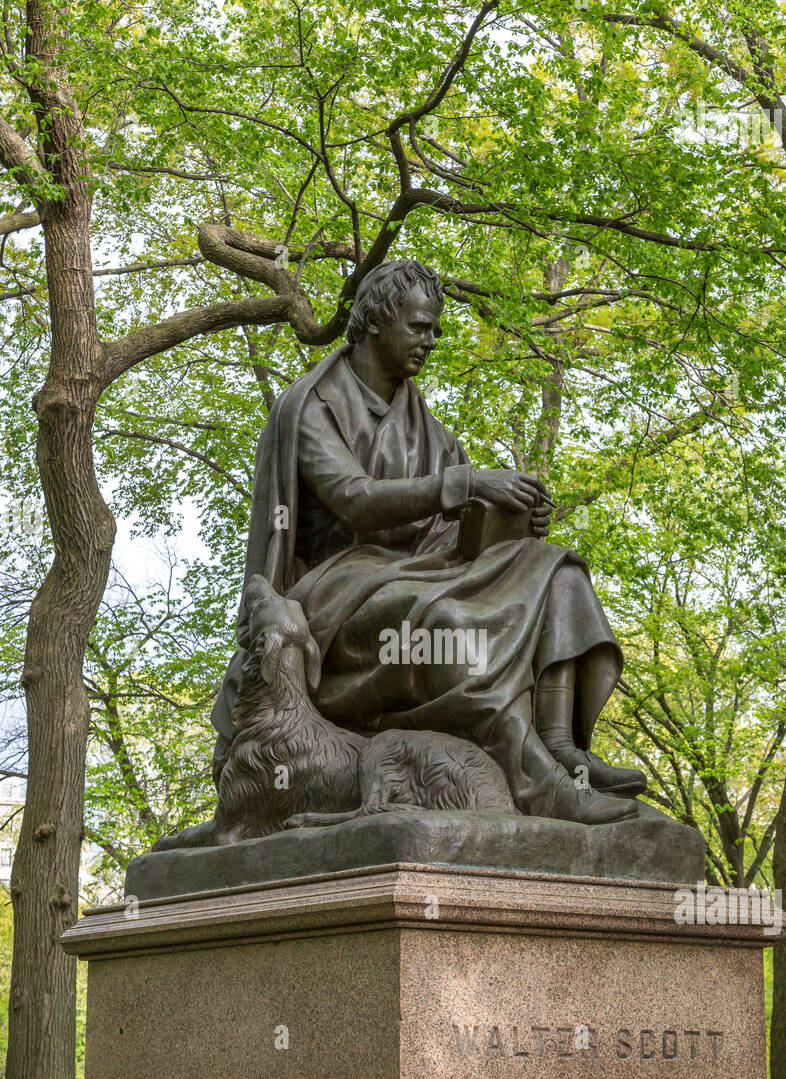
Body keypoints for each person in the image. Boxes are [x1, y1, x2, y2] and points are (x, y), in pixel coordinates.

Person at [212, 260, 646, 825]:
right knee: (446, 623)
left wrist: (510, 521)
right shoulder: (314, 405)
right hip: (335, 591)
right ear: (374, 321)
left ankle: (560, 747)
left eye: (435, 329)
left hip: (418, 569)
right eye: (419, 327)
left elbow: (451, 529)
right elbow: (355, 496)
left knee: (555, 568)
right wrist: (465, 484)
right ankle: (536, 783)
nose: (430, 341)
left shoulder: (426, 425)